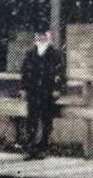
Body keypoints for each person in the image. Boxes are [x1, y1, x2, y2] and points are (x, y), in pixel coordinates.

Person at [18, 27, 65, 159]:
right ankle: (30, 149)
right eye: (39, 35)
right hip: (33, 91)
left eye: (44, 35)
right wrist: (23, 88)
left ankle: (43, 148)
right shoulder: (30, 53)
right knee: (31, 120)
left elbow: (60, 72)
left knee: (46, 121)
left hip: (47, 92)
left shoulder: (55, 53)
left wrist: (57, 88)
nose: (41, 37)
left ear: (48, 37)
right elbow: (24, 72)